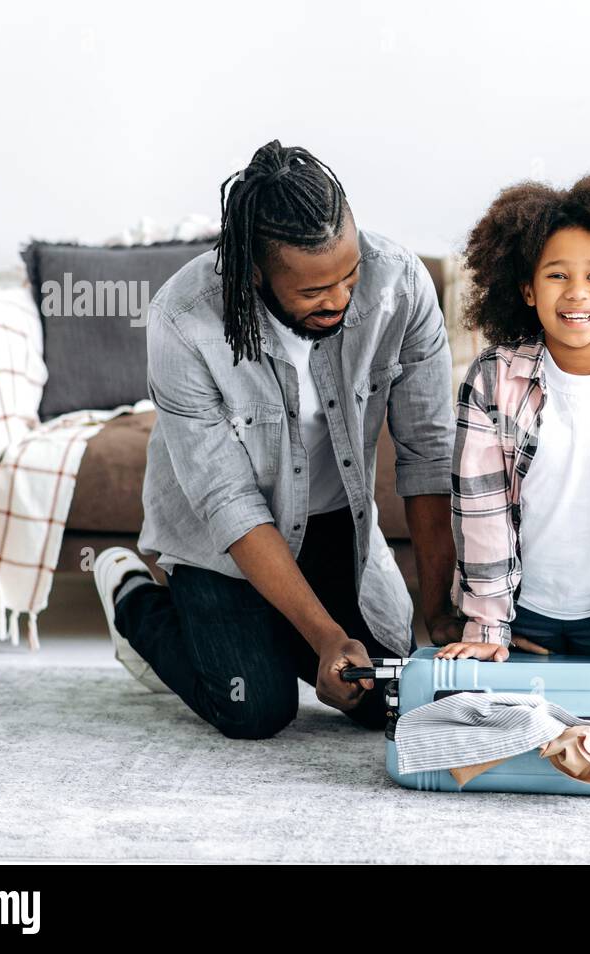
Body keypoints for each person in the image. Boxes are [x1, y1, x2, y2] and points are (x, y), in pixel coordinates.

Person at [91, 140, 460, 739]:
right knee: (254, 709)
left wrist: (440, 606)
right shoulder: (183, 321)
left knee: (383, 700)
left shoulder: (400, 286)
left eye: (349, 276)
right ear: (255, 273)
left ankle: (263, 634)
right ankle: (135, 597)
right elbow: (228, 503)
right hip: (226, 538)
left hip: (336, 521)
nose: (339, 301)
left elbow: (428, 452)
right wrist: (323, 636)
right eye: (314, 292)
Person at [434, 173, 590, 661]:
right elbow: (479, 512)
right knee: (495, 728)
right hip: (517, 613)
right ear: (528, 291)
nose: (576, 293)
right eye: (557, 275)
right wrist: (488, 630)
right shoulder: (492, 380)